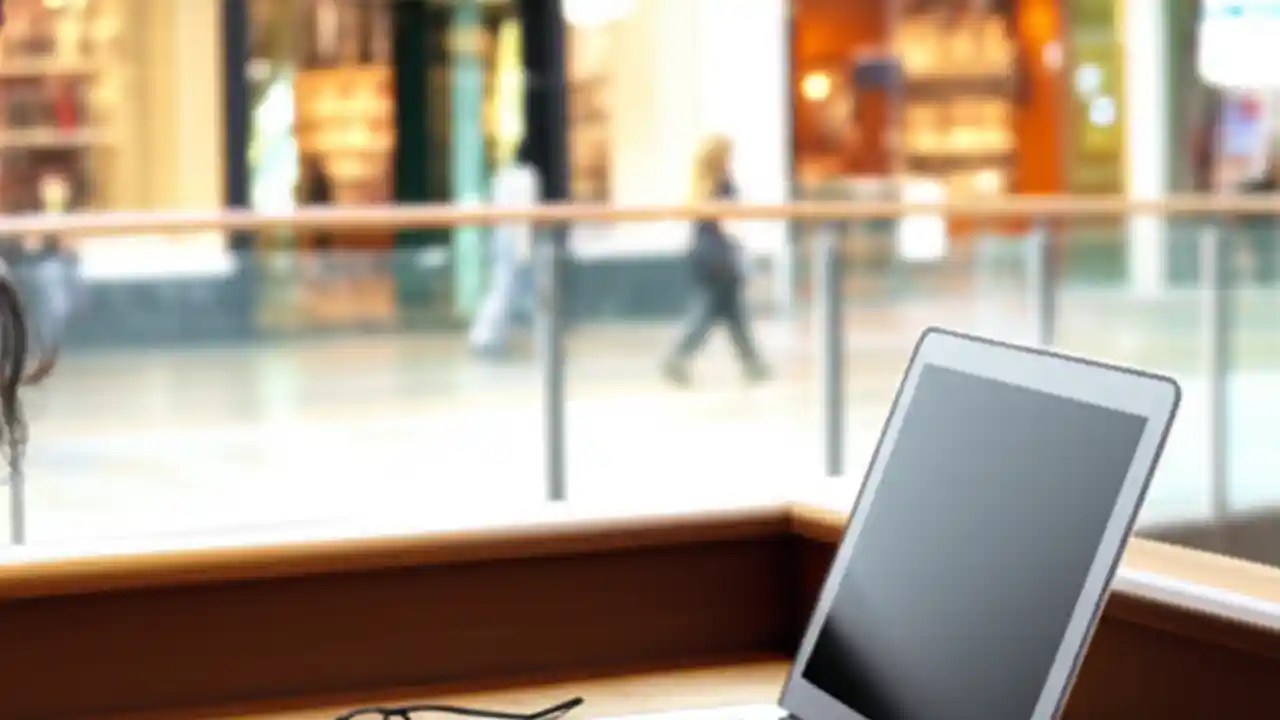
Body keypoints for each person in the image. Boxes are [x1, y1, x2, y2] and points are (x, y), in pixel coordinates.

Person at [663, 135, 768, 385]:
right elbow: (728, 222)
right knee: (710, 312)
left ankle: (751, 360)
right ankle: (678, 357)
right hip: (720, 258)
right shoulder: (722, 185)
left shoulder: (701, 185)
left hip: (702, 254)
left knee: (731, 312)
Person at [469, 140, 541, 357]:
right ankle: (484, 335)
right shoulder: (528, 178)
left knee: (506, 287)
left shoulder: (505, 175)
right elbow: (524, 217)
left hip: (501, 236)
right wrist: (525, 248)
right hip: (515, 239)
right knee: (504, 288)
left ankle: (493, 335)